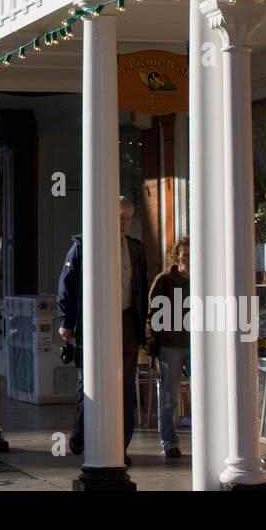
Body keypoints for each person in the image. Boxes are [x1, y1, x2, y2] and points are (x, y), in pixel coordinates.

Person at [57, 194, 149, 463]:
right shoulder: (84, 246)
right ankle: (81, 436)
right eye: (120, 218)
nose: (124, 223)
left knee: (126, 385)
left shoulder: (136, 249)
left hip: (127, 320)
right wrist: (66, 322)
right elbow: (67, 285)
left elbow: (140, 289)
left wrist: (143, 328)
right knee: (90, 382)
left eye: (129, 219)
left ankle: (120, 446)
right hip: (92, 322)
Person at [147, 237, 190, 459]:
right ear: (177, 256)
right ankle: (169, 441)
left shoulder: (202, 279)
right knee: (169, 396)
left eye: (192, 255)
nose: (188, 260)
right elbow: (153, 315)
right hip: (170, 345)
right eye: (184, 255)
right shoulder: (164, 280)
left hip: (195, 345)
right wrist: (151, 349)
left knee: (204, 393)